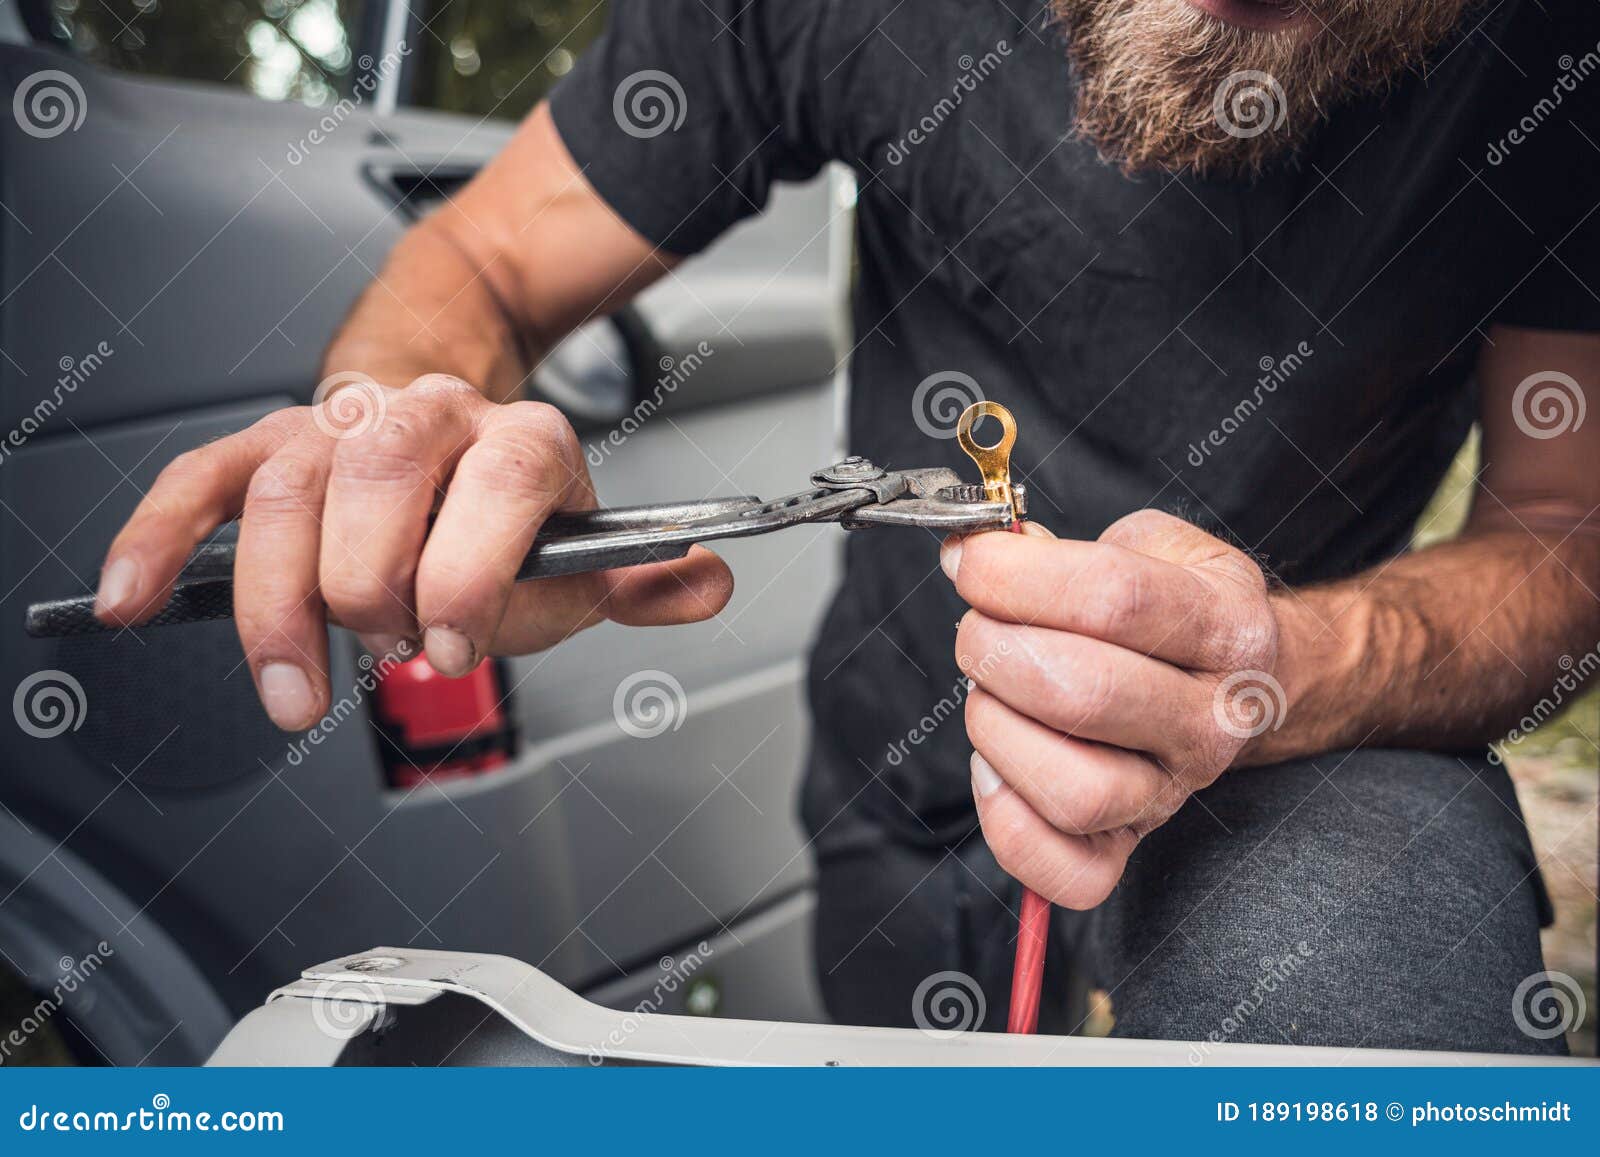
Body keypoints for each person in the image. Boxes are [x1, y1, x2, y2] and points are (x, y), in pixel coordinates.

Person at [94, 0, 1599, 1053]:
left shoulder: (1556, 62)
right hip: (894, 797)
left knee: (1379, 923)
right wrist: (400, 430)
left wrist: (1286, 663)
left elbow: (1565, 539)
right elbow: (484, 257)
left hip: (1286, 775)